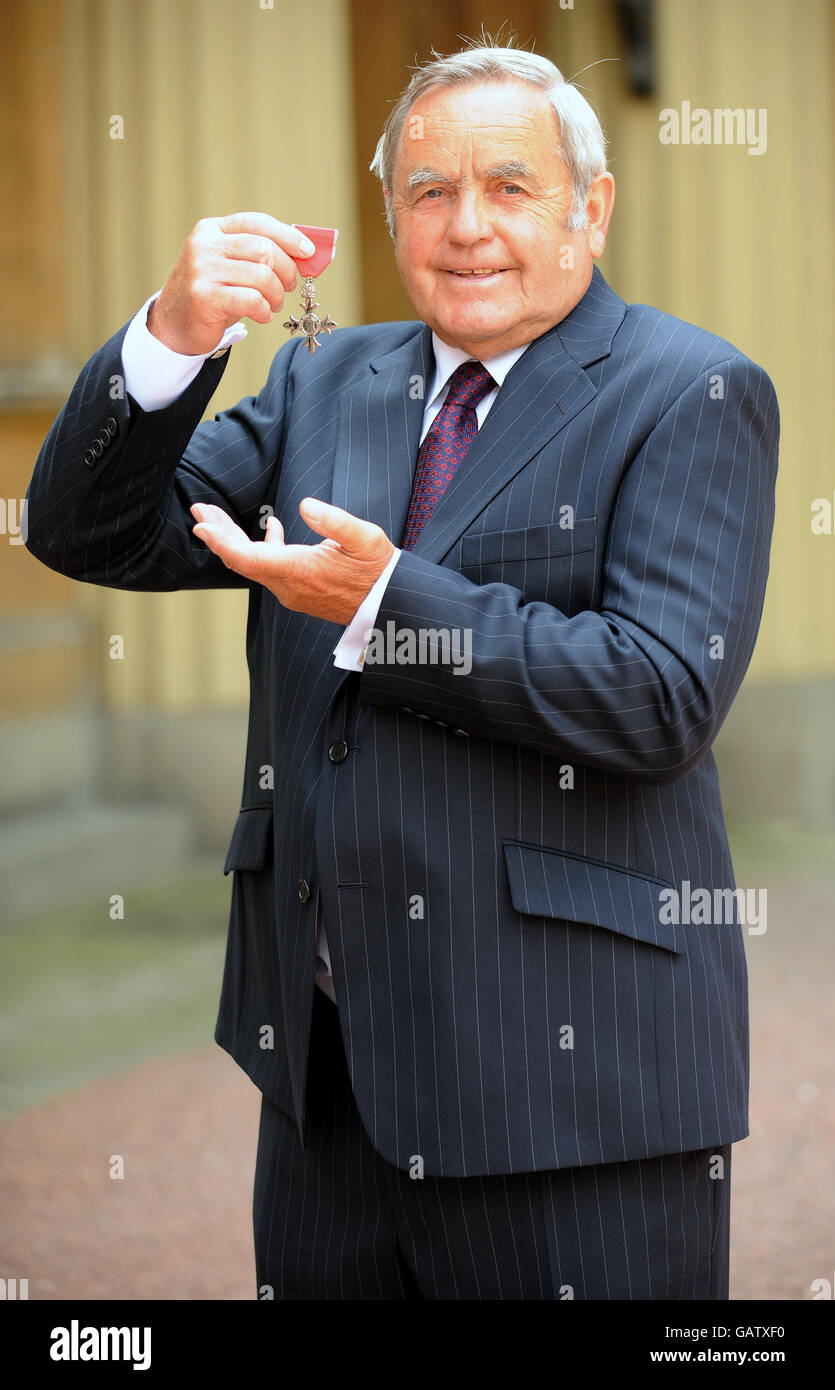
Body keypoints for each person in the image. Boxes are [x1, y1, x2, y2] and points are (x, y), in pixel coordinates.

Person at [25, 40, 779, 1300]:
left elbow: (659, 694)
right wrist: (172, 334)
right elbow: (91, 532)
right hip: (327, 1077)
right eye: (428, 193)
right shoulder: (327, 376)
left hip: (568, 1087)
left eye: (509, 187)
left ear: (590, 205)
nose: (466, 226)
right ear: (390, 216)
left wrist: (385, 602)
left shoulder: (688, 388)